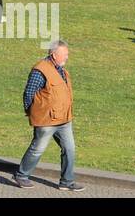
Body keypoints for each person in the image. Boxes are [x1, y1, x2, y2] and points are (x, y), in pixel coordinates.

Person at [13, 41, 83, 191]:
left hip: (64, 119)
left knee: (69, 149)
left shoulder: (62, 70)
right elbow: (29, 93)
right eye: (64, 54)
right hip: (47, 120)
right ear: (54, 54)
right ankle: (21, 175)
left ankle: (67, 181)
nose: (67, 57)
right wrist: (31, 112)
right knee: (37, 148)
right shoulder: (40, 70)